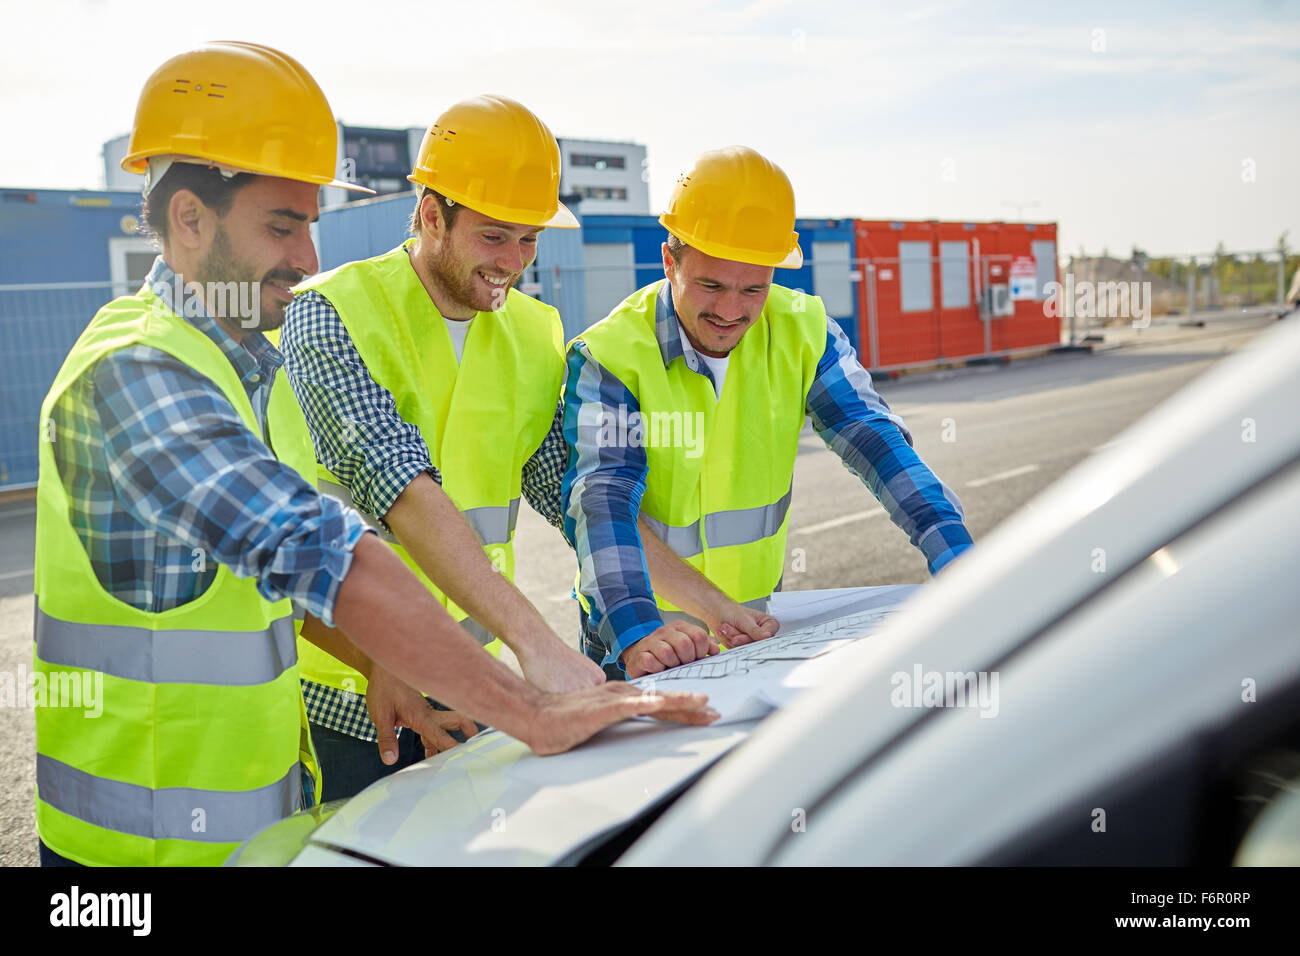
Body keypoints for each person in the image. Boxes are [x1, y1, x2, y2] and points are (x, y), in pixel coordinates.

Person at [33, 42, 714, 868]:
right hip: (133, 853)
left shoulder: (234, 358)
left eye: (310, 226)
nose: (307, 260)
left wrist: (379, 657)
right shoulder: (138, 373)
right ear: (189, 219)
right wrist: (527, 706)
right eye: (281, 227)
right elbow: (325, 551)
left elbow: (257, 579)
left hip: (245, 823)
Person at [278, 95, 609, 800]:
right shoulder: (330, 311)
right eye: (495, 237)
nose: (513, 263)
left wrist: (657, 611)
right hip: (352, 684)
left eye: (529, 240)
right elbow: (398, 485)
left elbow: (570, 493)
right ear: (432, 216)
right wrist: (535, 644)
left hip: (468, 684)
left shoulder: (535, 330)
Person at [562, 146, 974, 680]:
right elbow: (602, 496)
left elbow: (873, 439)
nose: (730, 312)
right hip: (637, 641)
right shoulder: (612, 355)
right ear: (670, 259)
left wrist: (953, 550)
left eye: (753, 289)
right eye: (710, 285)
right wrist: (638, 633)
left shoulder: (805, 333)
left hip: (754, 633)